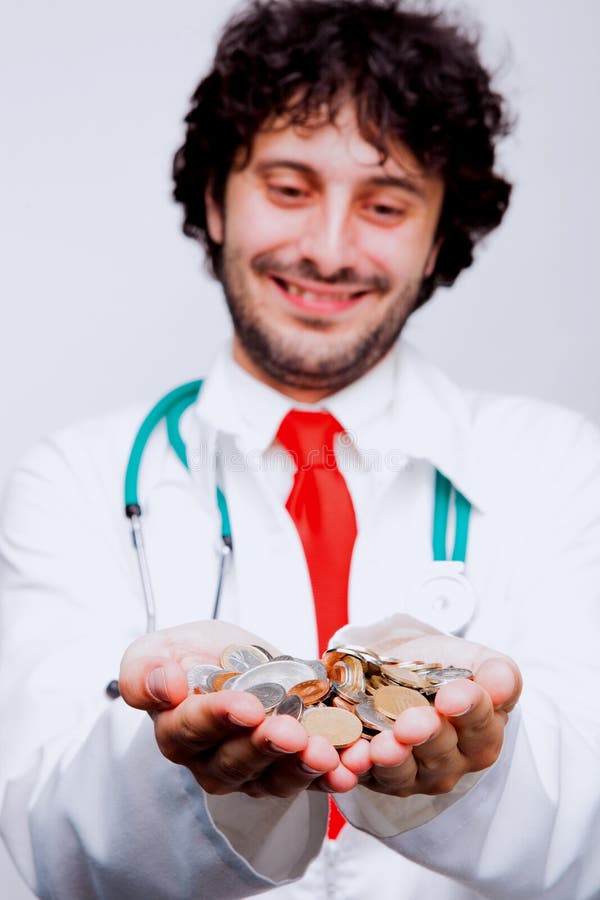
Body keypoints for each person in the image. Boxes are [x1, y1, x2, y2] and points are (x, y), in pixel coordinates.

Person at [1, 1, 599, 898]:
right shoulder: (74, 480)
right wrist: (192, 768)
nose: (327, 249)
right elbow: (45, 849)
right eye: (288, 187)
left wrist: (471, 776)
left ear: (440, 238)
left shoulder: (562, 468)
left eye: (386, 203)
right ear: (214, 196)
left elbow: (588, 831)